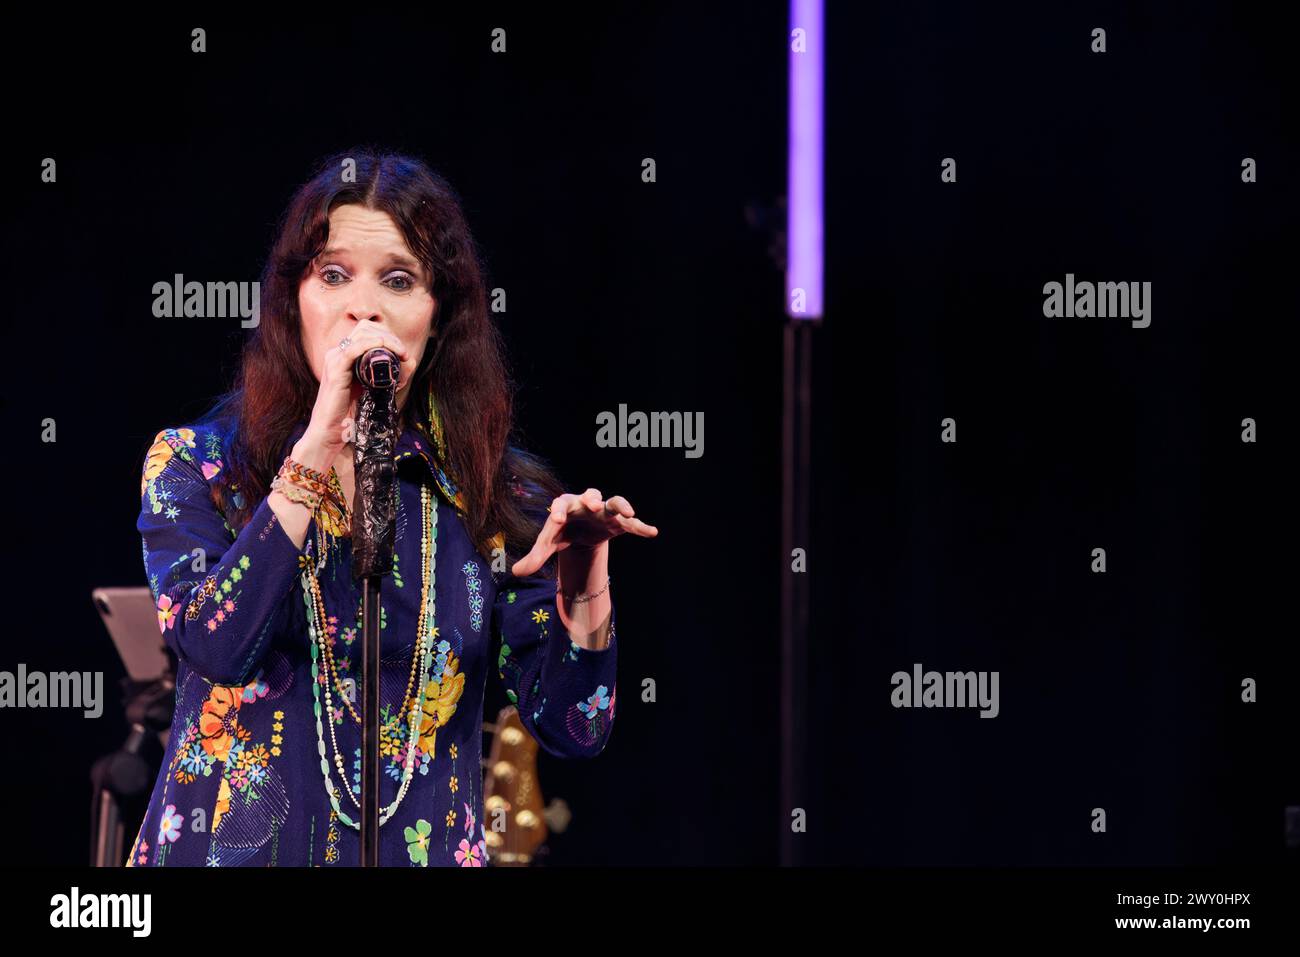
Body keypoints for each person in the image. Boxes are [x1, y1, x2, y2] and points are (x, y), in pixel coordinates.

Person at [126, 150, 657, 867]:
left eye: (399, 280)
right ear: (294, 300)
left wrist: (584, 583)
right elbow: (218, 648)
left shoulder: (496, 497)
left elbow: (574, 726)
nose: (364, 306)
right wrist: (319, 444)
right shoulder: (199, 466)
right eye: (334, 274)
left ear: (437, 318)